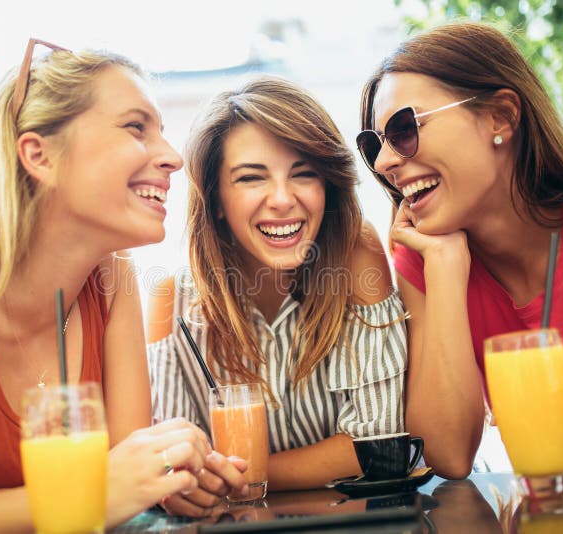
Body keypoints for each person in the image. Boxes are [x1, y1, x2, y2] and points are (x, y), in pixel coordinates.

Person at [0, 38, 246, 531]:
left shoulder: (112, 277)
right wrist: (88, 496)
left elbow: (123, 500)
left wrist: (168, 479)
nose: (173, 157)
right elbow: (104, 496)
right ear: (40, 156)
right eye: (135, 127)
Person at [356, 21, 563, 480]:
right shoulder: (424, 262)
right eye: (373, 144)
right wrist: (445, 271)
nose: (384, 161)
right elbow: (448, 455)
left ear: (500, 117)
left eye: (405, 129)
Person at [147, 75, 409, 505]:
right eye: (252, 178)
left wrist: (233, 474)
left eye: (303, 174)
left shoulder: (356, 254)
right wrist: (188, 478)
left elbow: (377, 445)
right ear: (216, 199)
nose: (283, 199)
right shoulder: (172, 301)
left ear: (328, 186)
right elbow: (176, 465)